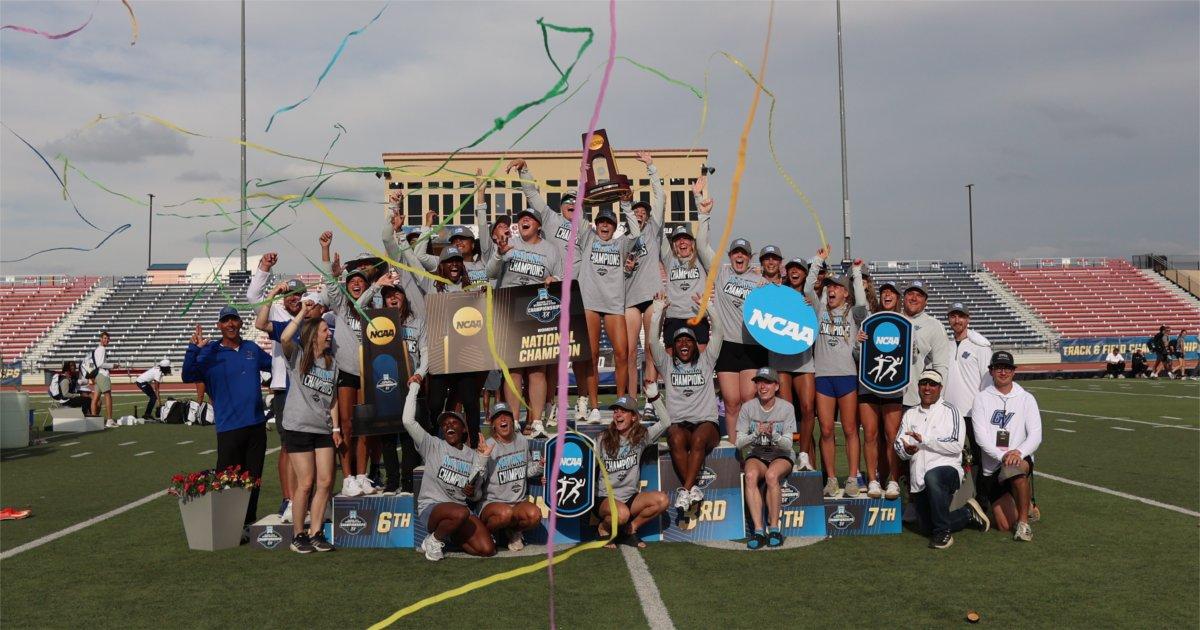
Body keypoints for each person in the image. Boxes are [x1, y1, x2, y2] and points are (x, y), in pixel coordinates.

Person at [508, 158, 592, 421]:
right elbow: (532, 194)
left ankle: (583, 402)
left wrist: (584, 178)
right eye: (566, 203)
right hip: (552, 293)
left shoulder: (586, 227)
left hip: (578, 293)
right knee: (551, 355)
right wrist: (524, 170)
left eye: (574, 202)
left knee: (579, 353)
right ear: (560, 207)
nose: (570, 205)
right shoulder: (550, 219)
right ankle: (550, 404)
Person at [182, 307, 273, 529]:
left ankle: (248, 521)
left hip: (256, 426)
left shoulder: (251, 348)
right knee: (229, 479)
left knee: (254, 479)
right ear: (219, 326)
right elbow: (187, 375)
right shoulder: (210, 352)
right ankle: (228, 524)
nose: (231, 324)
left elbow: (275, 365)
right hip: (229, 428)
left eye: (234, 320)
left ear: (241, 323)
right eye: (226, 321)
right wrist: (193, 349)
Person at [485, 205, 563, 435]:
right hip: (510, 309)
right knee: (514, 369)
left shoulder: (551, 249)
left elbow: (561, 278)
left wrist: (554, 279)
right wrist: (500, 252)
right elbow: (490, 272)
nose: (524, 220)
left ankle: (537, 421)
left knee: (537, 370)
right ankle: (515, 421)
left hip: (538, 311)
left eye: (530, 218)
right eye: (521, 218)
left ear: (538, 225)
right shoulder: (510, 242)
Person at [894, 370, 990, 549]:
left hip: (947, 470)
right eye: (924, 384)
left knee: (933, 477)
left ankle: (944, 534)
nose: (928, 388)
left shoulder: (951, 411)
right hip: (919, 479)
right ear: (919, 386)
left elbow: (955, 444)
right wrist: (907, 450)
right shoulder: (910, 414)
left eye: (932, 384)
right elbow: (899, 444)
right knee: (925, 527)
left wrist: (925, 440)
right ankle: (968, 514)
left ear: (940, 388)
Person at [399, 383, 494, 561]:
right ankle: (433, 540)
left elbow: (476, 494)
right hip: (432, 508)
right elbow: (407, 421)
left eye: (454, 422)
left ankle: (450, 534)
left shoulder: (473, 455)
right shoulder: (432, 445)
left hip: (460, 510)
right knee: (460, 513)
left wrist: (473, 489)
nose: (448, 426)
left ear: (464, 428)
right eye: (445, 424)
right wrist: (413, 389)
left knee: (486, 549)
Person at [648, 296, 725, 511]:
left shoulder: (707, 359)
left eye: (688, 340)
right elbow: (653, 342)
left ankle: (685, 488)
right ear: (673, 346)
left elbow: (718, 332)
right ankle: (692, 491)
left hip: (706, 424)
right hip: (680, 424)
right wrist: (658, 313)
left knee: (700, 438)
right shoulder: (666, 364)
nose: (683, 343)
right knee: (674, 436)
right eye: (679, 340)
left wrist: (709, 307)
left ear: (695, 345)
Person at [248, 252, 307, 520]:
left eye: (299, 294)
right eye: (290, 295)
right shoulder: (278, 310)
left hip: (311, 388)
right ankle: (287, 498)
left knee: (309, 444)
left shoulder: (311, 312)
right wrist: (265, 269)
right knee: (287, 445)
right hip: (285, 387)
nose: (294, 298)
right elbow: (253, 298)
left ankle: (307, 496)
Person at [320, 231, 379, 497]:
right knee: (346, 426)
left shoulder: (373, 309)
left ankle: (363, 475)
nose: (357, 284)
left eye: (362, 281)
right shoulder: (342, 308)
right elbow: (331, 285)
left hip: (367, 374)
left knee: (365, 426)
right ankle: (348, 478)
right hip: (345, 372)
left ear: (368, 286)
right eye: (353, 281)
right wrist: (326, 249)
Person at [805, 248, 868, 497]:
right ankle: (831, 479)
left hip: (847, 376)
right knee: (827, 430)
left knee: (851, 429)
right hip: (823, 377)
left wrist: (854, 272)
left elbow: (862, 302)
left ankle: (852, 478)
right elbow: (809, 289)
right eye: (829, 286)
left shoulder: (853, 313)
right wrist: (818, 260)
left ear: (845, 292)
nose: (831, 290)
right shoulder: (819, 313)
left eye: (836, 287)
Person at [277, 302, 337, 553]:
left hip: (322, 429)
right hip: (299, 427)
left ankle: (316, 532)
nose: (329, 333)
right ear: (314, 335)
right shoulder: (298, 355)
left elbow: (332, 399)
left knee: (325, 481)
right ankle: (298, 534)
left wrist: (336, 429)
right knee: (306, 483)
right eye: (325, 330)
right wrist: (303, 313)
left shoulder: (332, 363)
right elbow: (284, 337)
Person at [704, 219, 768, 441]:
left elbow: (779, 307)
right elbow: (702, 247)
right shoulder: (721, 274)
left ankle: (748, 444)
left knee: (749, 398)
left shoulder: (761, 281)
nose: (739, 257)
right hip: (727, 345)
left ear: (749, 258)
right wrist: (704, 213)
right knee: (731, 401)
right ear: (730, 255)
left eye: (744, 254)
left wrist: (767, 290)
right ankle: (734, 447)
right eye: (736, 253)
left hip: (752, 346)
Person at [971, 351, 1042, 542]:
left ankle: (1024, 525)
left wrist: (1019, 452)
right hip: (992, 466)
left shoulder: (1026, 398)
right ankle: (1025, 506)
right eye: (998, 368)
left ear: (1014, 371)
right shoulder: (981, 399)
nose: (1003, 372)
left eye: (1007, 368)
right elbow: (980, 437)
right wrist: (1001, 455)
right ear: (991, 371)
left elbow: (1036, 435)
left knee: (1014, 470)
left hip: (1018, 458)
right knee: (1003, 526)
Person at [595, 388, 672, 548]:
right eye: (616, 411)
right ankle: (603, 527)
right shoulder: (602, 438)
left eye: (623, 412)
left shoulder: (642, 437)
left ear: (634, 417)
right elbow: (585, 463)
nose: (618, 415)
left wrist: (654, 397)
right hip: (605, 498)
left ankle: (631, 529)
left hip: (629, 497)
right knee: (621, 513)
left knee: (662, 500)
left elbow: (666, 422)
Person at [622, 152, 666, 409]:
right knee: (629, 351)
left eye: (643, 211)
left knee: (651, 347)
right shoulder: (623, 237)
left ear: (648, 217)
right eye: (636, 210)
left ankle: (651, 396)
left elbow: (660, 199)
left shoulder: (653, 231)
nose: (640, 213)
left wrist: (651, 167)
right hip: (630, 297)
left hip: (651, 296)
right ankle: (630, 398)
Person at [737, 368, 797, 549]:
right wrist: (755, 434)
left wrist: (774, 436)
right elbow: (739, 443)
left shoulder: (786, 408)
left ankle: (774, 528)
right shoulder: (748, 407)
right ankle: (758, 530)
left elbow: (788, 445)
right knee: (750, 476)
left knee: (772, 476)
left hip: (781, 456)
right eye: (759, 382)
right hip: (757, 455)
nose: (762, 386)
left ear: (777, 386)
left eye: (768, 382)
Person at [856, 273, 901, 499]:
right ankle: (872, 480)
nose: (887, 295)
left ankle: (893, 480)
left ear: (897, 298)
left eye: (892, 293)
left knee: (892, 435)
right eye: (884, 292)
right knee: (870, 434)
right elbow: (858, 353)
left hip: (894, 387)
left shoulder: (905, 325)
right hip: (869, 385)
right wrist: (859, 341)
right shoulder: (868, 321)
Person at [477, 402, 543, 551]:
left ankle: (513, 532)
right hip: (492, 503)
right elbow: (477, 483)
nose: (503, 419)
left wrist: (540, 467)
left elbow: (527, 471)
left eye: (506, 415)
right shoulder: (488, 445)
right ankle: (487, 532)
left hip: (517, 502)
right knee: (506, 513)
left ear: (512, 420)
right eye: (498, 417)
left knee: (535, 515)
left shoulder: (522, 441)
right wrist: (481, 458)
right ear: (493, 424)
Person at [943, 302, 993, 499]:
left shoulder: (980, 346)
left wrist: (985, 409)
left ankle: (981, 498)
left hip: (973, 412)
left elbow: (987, 381)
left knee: (979, 457)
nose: (957, 320)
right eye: (953, 316)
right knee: (951, 455)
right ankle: (955, 496)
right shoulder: (945, 345)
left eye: (961, 316)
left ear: (968, 319)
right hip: (949, 412)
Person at [772, 257, 816, 473]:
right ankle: (789, 452)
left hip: (804, 360)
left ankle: (804, 454)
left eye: (799, 269)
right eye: (791, 269)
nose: (794, 272)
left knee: (808, 408)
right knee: (786, 411)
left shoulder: (809, 297)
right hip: (780, 360)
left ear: (806, 274)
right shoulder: (778, 292)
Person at [660, 178, 714, 354]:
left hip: (697, 316)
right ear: (674, 244)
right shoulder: (669, 259)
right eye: (678, 239)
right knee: (671, 365)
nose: (682, 242)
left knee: (701, 365)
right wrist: (661, 199)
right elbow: (658, 230)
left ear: (692, 242)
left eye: (686, 238)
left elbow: (704, 235)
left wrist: (698, 198)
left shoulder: (701, 258)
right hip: (674, 316)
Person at [84, 331, 117, 426]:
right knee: (108, 396)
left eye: (108, 339)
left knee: (95, 398)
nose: (107, 340)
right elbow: (100, 364)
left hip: (97, 375)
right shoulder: (102, 349)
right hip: (102, 374)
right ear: (101, 339)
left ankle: (94, 420)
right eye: (105, 338)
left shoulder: (97, 349)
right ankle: (110, 420)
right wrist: (113, 365)